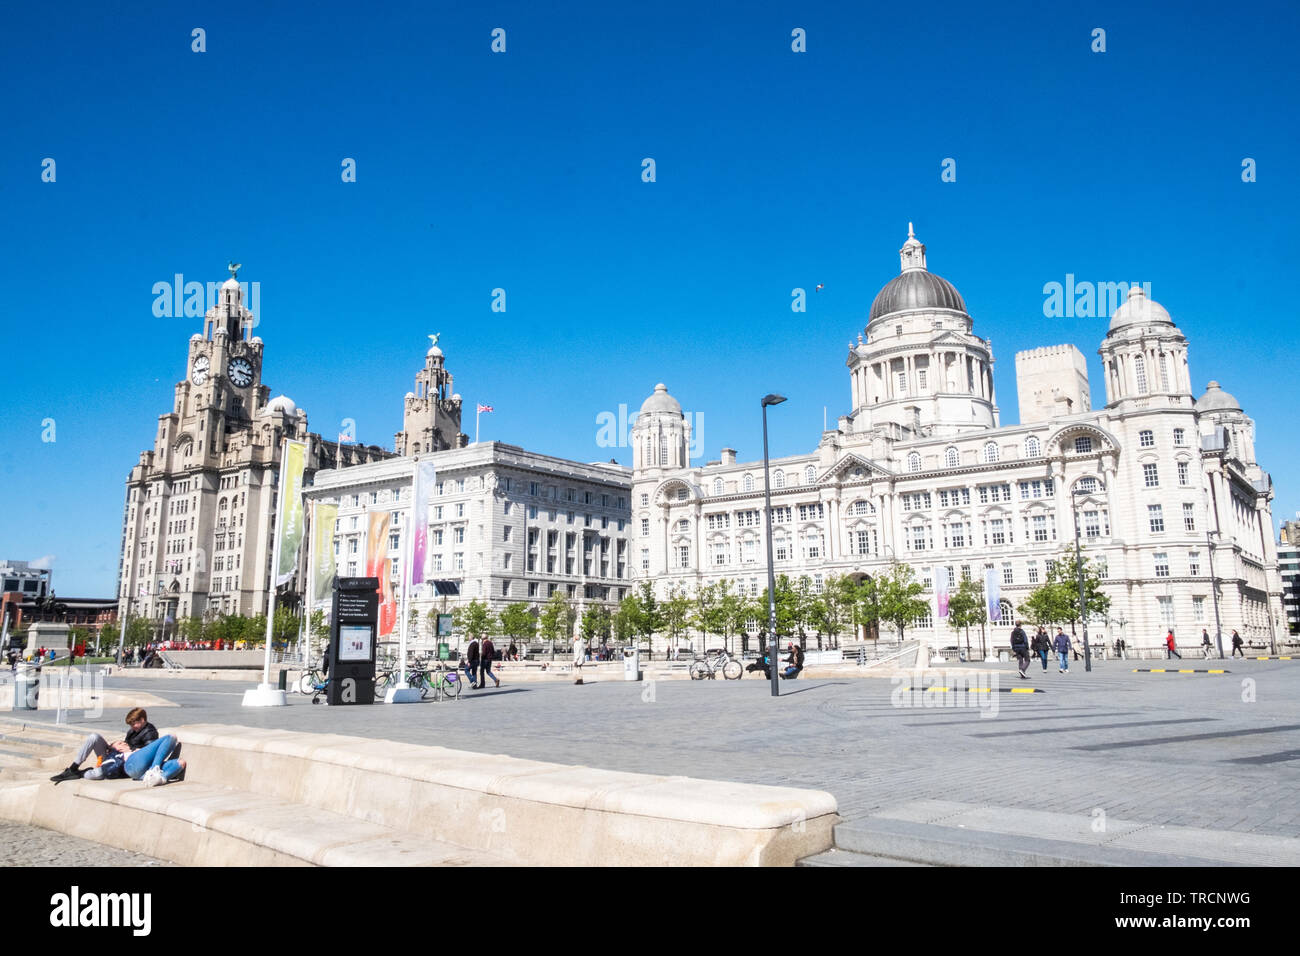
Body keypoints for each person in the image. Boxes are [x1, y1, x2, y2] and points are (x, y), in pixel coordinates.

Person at [50, 707, 186, 786]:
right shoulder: (132, 731)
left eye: (134, 723)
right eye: (130, 724)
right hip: (116, 757)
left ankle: (154, 773)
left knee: (173, 742)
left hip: (129, 763)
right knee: (94, 737)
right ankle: (73, 768)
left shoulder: (150, 732)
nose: (132, 727)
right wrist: (115, 744)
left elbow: (145, 754)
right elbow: (127, 744)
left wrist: (130, 749)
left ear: (142, 720)